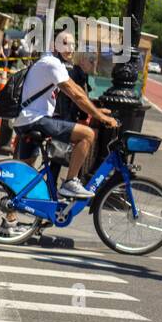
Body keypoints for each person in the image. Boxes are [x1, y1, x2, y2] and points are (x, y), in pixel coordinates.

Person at [10, 31, 118, 198]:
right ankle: (70, 182)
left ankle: (10, 218)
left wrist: (96, 110)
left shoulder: (50, 63)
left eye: (73, 45)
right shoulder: (52, 63)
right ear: (55, 46)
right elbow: (76, 95)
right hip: (36, 120)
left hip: (26, 120)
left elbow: (77, 90)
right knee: (87, 135)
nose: (71, 48)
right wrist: (100, 117)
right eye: (65, 44)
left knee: (26, 172)